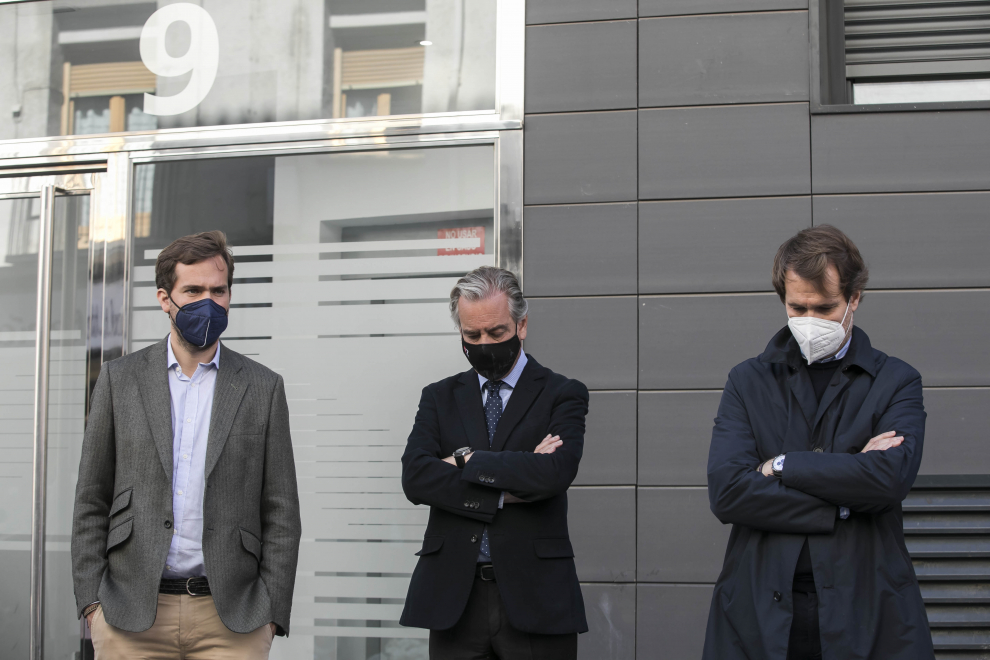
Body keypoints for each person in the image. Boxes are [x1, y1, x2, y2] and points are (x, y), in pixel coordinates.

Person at [703, 225, 934, 659]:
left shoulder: (897, 381)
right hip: (760, 610)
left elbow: (888, 480)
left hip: (867, 610)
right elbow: (729, 492)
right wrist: (845, 497)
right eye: (797, 307)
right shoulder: (747, 381)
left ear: (855, 299)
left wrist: (782, 465)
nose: (809, 321)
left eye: (825, 308)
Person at [71, 231, 301, 659]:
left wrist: (271, 609)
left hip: (233, 616)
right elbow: (90, 498)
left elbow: (282, 509)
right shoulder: (120, 380)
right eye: (193, 290)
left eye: (218, 290)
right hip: (130, 612)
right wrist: (92, 601)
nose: (208, 302)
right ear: (165, 298)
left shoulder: (263, 387)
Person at [400, 266, 588, 659]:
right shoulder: (439, 397)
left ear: (521, 325)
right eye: (472, 335)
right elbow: (417, 478)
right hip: (455, 597)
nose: (484, 343)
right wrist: (507, 487)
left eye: (496, 332)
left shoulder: (562, 393)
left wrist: (463, 459)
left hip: (536, 597)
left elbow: (553, 474)